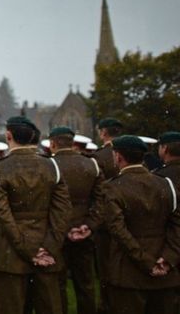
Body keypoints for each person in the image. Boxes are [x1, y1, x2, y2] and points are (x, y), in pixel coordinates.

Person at [0, 116, 72, 314]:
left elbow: (3, 214)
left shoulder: (0, 167)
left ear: (8, 135)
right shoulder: (51, 165)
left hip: (12, 253)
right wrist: (47, 247)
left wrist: (27, 249)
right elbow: (63, 211)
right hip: (45, 250)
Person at [102, 135, 180, 314]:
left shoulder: (113, 187)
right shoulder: (164, 183)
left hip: (129, 270)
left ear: (118, 157)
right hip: (164, 269)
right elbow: (177, 226)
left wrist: (146, 261)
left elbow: (117, 229)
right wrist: (167, 259)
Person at [47, 126, 104, 314]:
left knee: (58, 283)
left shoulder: (49, 165)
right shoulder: (90, 165)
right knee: (86, 284)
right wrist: (88, 226)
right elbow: (101, 200)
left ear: (53, 143)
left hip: (56, 232)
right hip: (83, 231)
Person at [93, 117, 124, 313]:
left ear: (103, 132)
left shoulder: (100, 156)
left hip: (105, 219)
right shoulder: (133, 151)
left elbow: (96, 191)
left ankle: (108, 305)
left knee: (105, 267)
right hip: (128, 215)